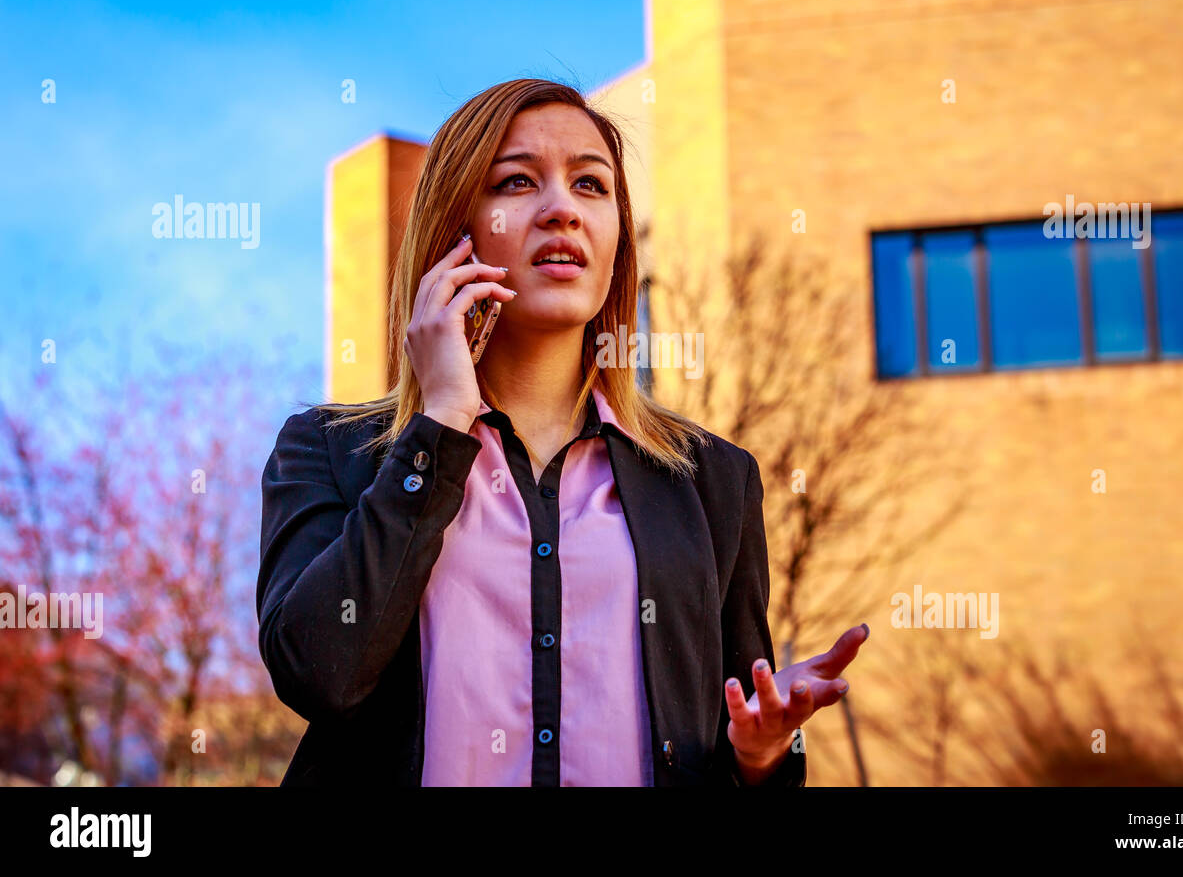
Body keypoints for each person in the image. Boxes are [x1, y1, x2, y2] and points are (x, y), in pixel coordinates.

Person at [257, 78, 868, 786]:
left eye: (591, 185)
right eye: (517, 182)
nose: (562, 211)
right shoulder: (329, 451)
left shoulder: (715, 483)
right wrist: (441, 422)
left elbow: (746, 754)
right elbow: (315, 674)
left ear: (616, 239)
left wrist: (762, 754)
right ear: (455, 232)